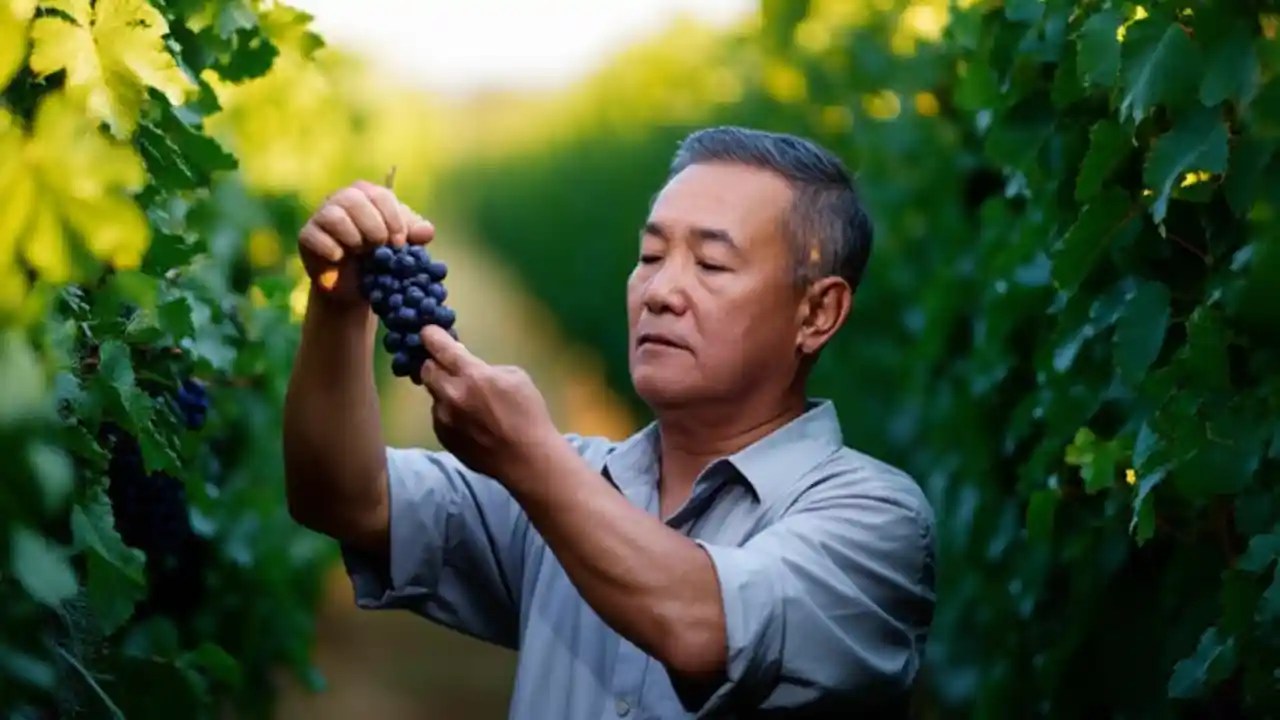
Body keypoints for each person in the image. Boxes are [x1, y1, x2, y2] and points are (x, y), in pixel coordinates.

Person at [283, 126, 936, 719]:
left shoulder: (876, 523)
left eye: (710, 264)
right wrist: (339, 309)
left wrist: (528, 457)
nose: (659, 291)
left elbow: (701, 626)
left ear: (818, 313)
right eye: (650, 256)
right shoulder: (574, 485)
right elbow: (344, 496)